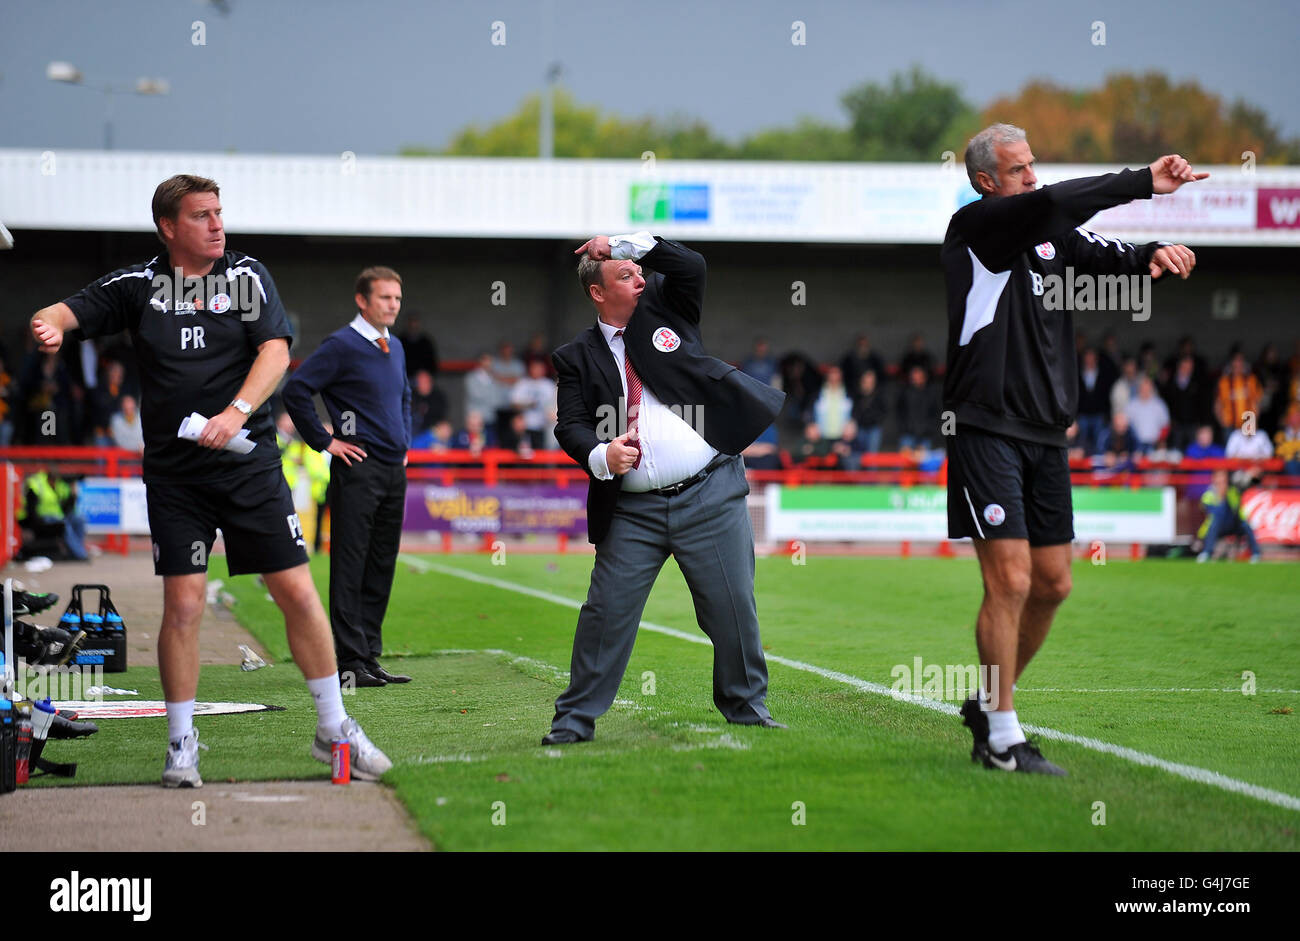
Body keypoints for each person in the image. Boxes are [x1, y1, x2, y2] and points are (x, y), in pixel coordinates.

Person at [29, 174, 391, 787]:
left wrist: (235, 413)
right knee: (185, 604)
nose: (218, 225)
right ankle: (180, 744)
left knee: (298, 595)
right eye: (202, 216)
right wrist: (51, 324)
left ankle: (334, 728)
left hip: (249, 467)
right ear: (169, 228)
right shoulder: (138, 285)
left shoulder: (246, 277)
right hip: (176, 478)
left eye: (220, 212)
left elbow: (275, 352)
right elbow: (62, 309)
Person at [942, 124, 1203, 775]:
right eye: (1018, 169)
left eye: (1034, 164)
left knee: (1053, 584)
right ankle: (1001, 736)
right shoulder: (980, 229)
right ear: (987, 183)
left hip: (1045, 436)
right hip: (985, 427)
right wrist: (1146, 182)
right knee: (1011, 579)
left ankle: (986, 700)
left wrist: (1156, 253)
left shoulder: (1053, 238)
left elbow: (1112, 260)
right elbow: (1059, 203)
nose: (1032, 176)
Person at [543, 231, 786, 744]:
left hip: (710, 494)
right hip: (633, 511)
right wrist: (601, 455)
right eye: (625, 276)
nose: (638, 279)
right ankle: (573, 721)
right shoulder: (576, 356)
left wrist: (624, 245)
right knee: (605, 613)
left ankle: (747, 708)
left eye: (638, 272)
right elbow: (571, 425)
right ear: (597, 293)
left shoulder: (668, 308)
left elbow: (691, 264)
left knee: (732, 607)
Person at [282, 266, 413, 688]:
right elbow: (297, 389)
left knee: (381, 564)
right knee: (351, 564)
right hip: (358, 467)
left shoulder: (394, 346)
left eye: (397, 298)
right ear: (362, 300)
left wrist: (405, 442)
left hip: (394, 469)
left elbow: (405, 397)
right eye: (384, 298)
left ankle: (369, 655)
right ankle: (350, 662)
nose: (393, 304)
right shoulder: (341, 345)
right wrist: (325, 442)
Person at [1196, 470, 1261, 563]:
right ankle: (1206, 553)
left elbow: (1249, 484)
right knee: (1216, 521)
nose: (1222, 481)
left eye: (1223, 479)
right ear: (1214, 480)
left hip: (1233, 524)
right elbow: (1210, 510)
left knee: (1246, 526)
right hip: (1217, 527)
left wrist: (1250, 476)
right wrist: (1221, 496)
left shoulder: (1233, 491)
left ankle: (1256, 554)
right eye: (1219, 478)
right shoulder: (1209, 494)